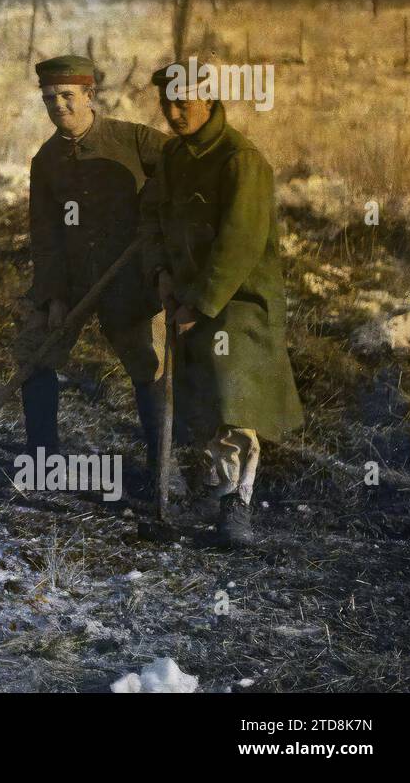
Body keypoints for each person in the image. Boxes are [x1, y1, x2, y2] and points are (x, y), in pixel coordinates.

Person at [143, 61, 304, 547]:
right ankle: (217, 487)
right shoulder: (175, 156)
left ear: (209, 99)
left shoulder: (240, 159)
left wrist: (200, 302)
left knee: (232, 397)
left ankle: (239, 504)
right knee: (202, 399)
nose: (173, 113)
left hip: (239, 299)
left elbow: (239, 243)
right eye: (166, 103)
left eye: (183, 101)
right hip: (189, 293)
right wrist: (163, 275)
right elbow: (152, 218)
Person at [18, 55, 168, 492]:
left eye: (67, 96)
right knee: (33, 351)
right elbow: (44, 237)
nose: (58, 105)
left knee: (150, 366)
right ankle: (44, 463)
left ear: (90, 95)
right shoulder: (45, 161)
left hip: (133, 278)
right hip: (74, 281)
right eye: (49, 99)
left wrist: (157, 220)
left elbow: (187, 175)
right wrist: (52, 296)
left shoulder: (135, 140)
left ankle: (162, 469)